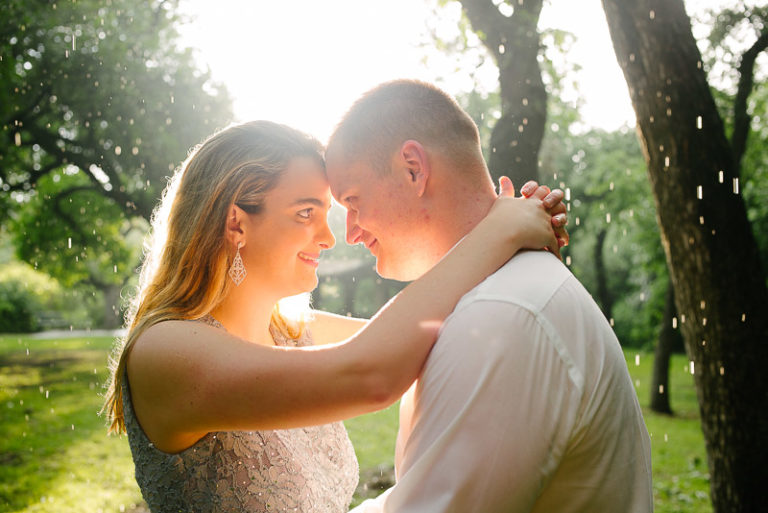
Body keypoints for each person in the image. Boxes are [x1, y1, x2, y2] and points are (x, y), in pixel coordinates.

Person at [101, 120, 568, 513]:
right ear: (235, 222)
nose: (329, 237)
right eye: (306, 212)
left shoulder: (290, 332)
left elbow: (436, 337)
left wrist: (501, 238)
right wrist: (495, 233)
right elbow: (370, 376)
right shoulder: (164, 352)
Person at [324, 79, 653, 513]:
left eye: (352, 200)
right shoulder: (492, 297)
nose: (349, 232)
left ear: (413, 169)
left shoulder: (499, 316)